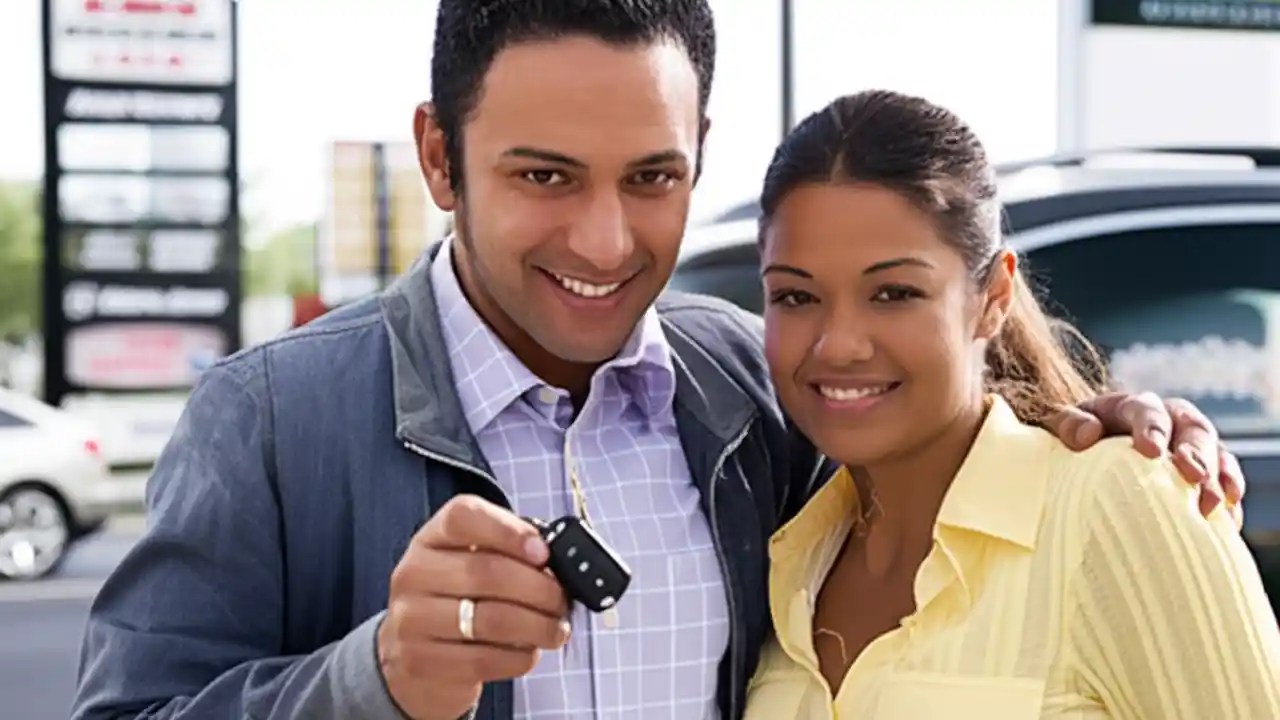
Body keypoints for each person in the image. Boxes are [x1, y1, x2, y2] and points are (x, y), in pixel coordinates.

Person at [72, 3, 1245, 720]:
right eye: (543, 176)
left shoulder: (751, 393)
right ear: (440, 156)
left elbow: (934, 447)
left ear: (698, 155)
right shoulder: (268, 421)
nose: (603, 241)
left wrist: (1082, 421)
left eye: (650, 177)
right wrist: (372, 680)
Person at [743, 89, 1280, 719]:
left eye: (893, 293)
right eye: (796, 298)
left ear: (994, 295)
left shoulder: (1118, 506)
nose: (838, 345)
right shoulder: (783, 554)